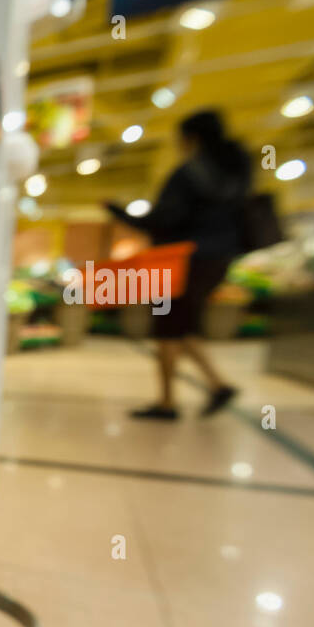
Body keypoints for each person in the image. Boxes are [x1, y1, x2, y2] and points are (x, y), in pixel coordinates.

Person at [105, 110, 248, 420]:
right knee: (184, 326)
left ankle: (167, 403)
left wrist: (117, 211)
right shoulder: (236, 174)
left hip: (179, 262)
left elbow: (160, 221)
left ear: (191, 138)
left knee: (168, 328)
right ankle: (218, 384)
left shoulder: (189, 175)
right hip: (217, 260)